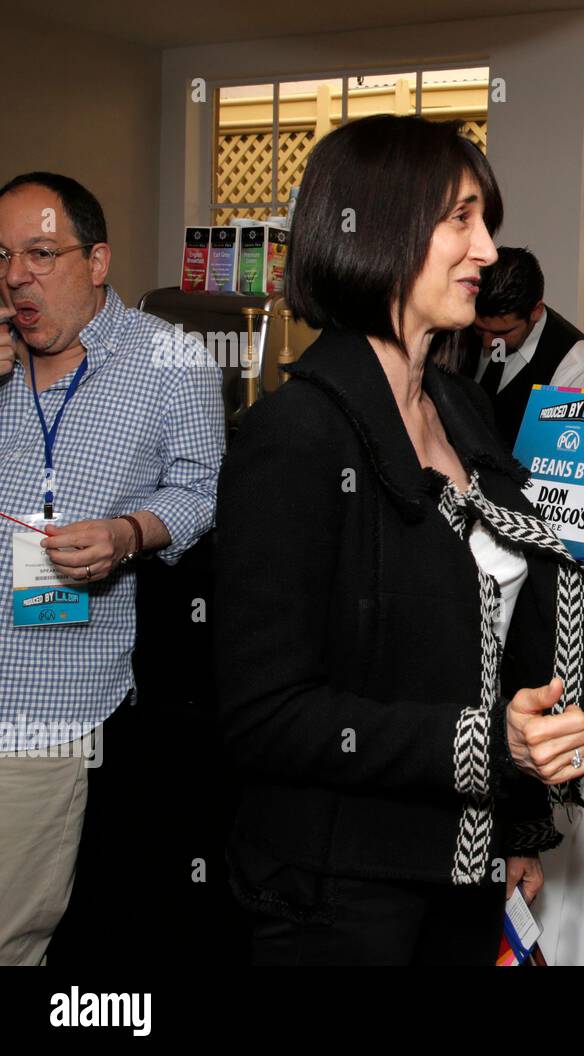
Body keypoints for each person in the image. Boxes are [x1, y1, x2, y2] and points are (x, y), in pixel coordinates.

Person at [214, 115, 584, 966]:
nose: (488, 250)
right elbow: (265, 713)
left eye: (484, 220)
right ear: (380, 231)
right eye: (460, 219)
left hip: (460, 870)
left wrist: (514, 827)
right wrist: (482, 741)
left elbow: (495, 641)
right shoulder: (297, 435)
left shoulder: (458, 410)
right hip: (338, 892)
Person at [0, 172, 224, 965]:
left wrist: (131, 533)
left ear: (96, 262)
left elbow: (205, 488)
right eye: (3, 256)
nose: (16, 275)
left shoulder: (170, 358)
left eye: (40, 253)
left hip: (45, 694)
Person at [470, 246, 584, 445]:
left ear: (535, 311)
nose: (487, 342)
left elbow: (564, 461)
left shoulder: (578, 366)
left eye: (501, 333)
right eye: (479, 329)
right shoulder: (462, 328)